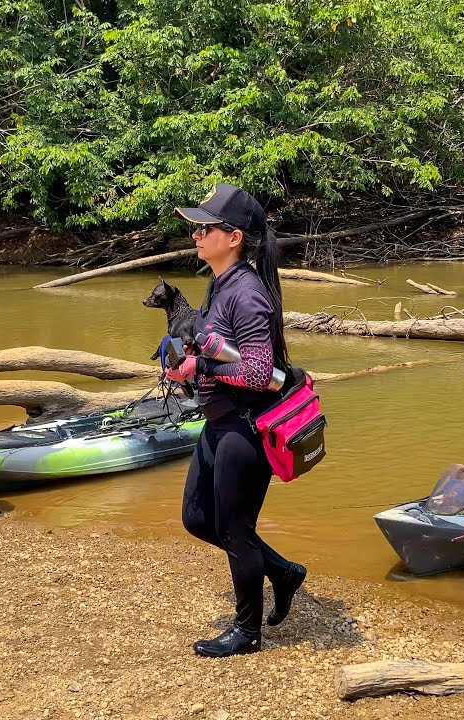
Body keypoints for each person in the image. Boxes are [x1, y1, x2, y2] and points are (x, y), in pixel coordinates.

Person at [165, 183, 307, 657]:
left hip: (247, 428)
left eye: (206, 228)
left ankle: (247, 632)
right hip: (220, 420)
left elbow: (259, 372)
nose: (197, 236)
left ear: (235, 237)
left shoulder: (247, 294)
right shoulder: (219, 282)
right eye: (198, 228)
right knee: (197, 519)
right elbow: (220, 348)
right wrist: (186, 360)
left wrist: (200, 367)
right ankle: (284, 573)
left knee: (234, 530)